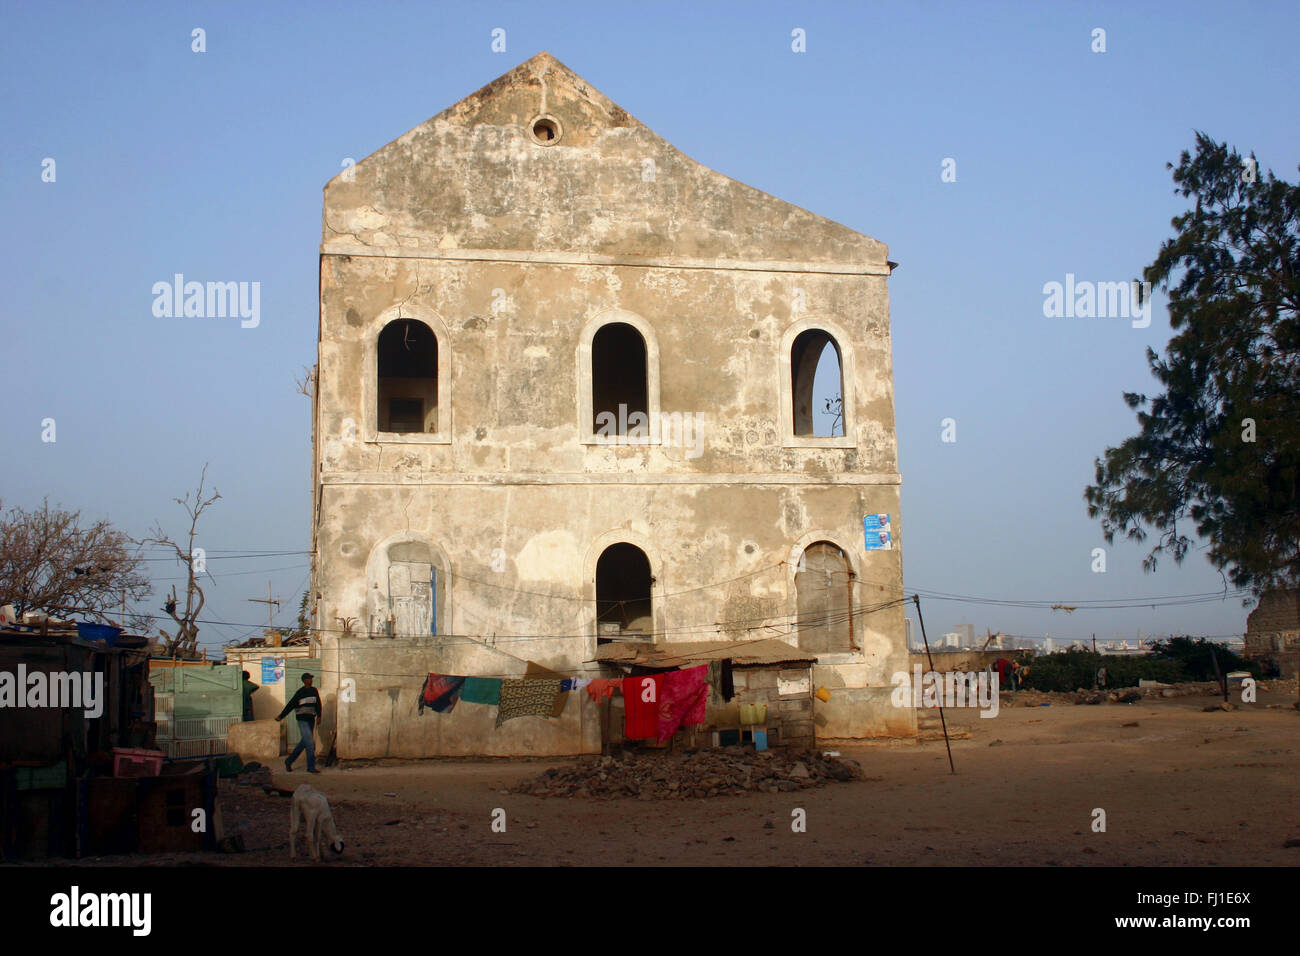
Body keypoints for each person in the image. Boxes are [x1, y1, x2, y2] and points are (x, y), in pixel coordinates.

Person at [277, 672, 323, 774]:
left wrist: (319, 716)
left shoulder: (314, 690)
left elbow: (318, 704)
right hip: (302, 720)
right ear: (304, 680)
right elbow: (290, 705)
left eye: (311, 678)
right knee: (310, 743)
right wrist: (281, 716)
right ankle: (311, 767)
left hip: (311, 719)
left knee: (304, 743)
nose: (311, 680)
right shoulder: (300, 692)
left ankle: (289, 761)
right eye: (309, 679)